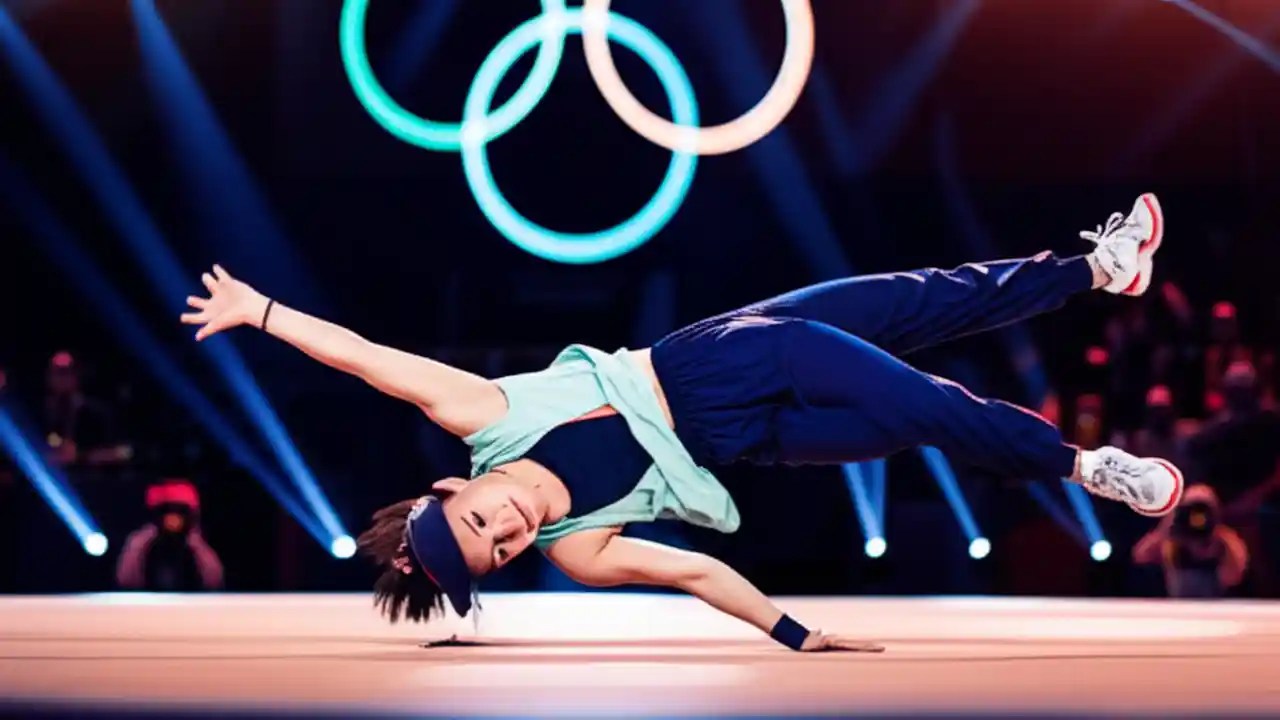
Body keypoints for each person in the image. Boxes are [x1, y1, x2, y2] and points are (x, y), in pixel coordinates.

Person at [181, 194, 1183, 652]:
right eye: (499, 554)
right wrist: (794, 634)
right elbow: (695, 573)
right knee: (909, 424)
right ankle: (1082, 364)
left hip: (712, 363)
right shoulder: (579, 553)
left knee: (918, 323)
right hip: (747, 441)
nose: (510, 530)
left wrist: (260, 313)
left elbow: (361, 356)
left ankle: (1090, 395)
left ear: (458, 485)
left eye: (482, 520)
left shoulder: (482, 414)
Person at [1132, 484, 1248, 598]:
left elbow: (1235, 576)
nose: (1197, 515)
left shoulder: (1224, 541)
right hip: (1180, 608)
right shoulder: (1172, 543)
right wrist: (1169, 522)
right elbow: (1140, 556)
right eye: (1191, 509)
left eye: (1203, 510)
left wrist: (1217, 538)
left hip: (1214, 608)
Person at [116, 478, 224, 592]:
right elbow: (126, 581)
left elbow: (214, 582)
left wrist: (197, 545)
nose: (172, 519)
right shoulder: (140, 542)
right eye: (167, 511)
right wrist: (139, 544)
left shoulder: (198, 543)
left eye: (178, 511)